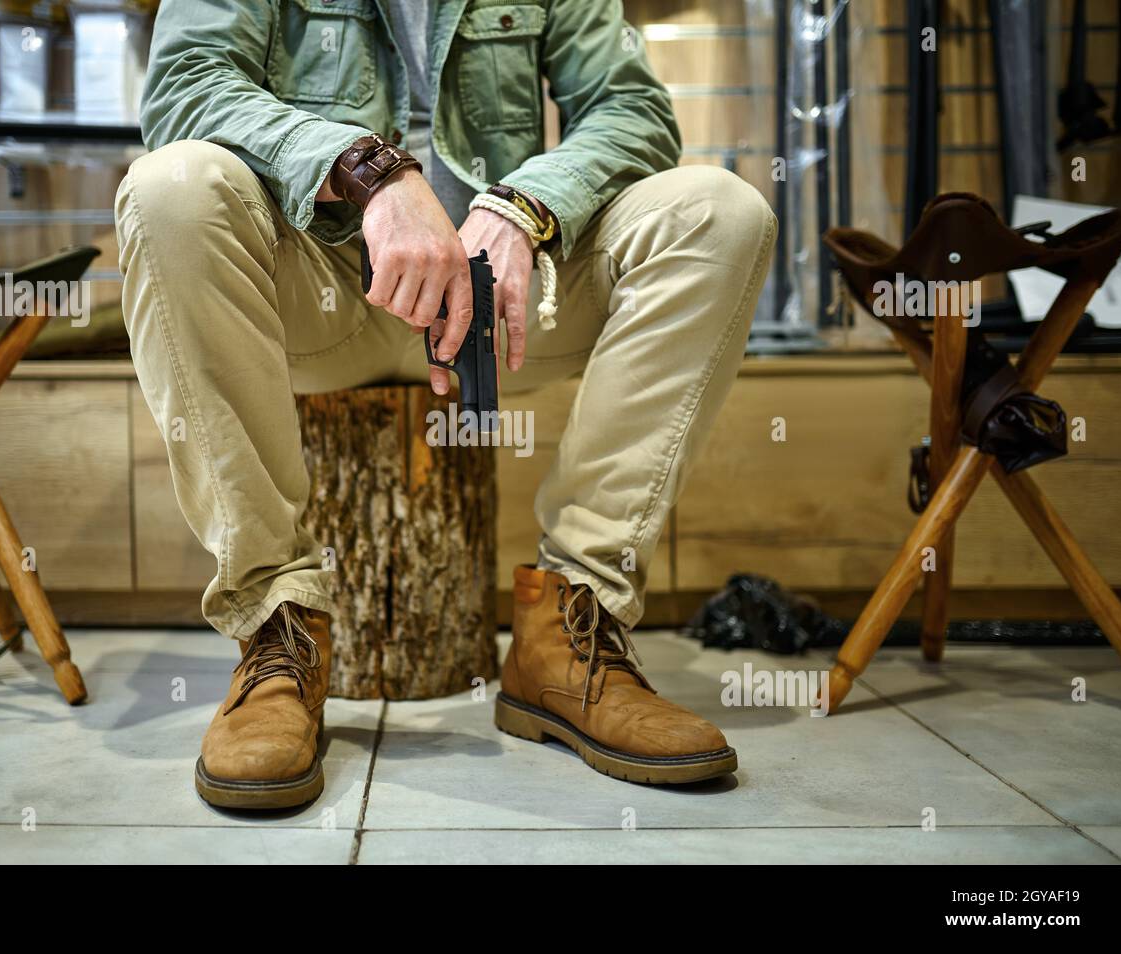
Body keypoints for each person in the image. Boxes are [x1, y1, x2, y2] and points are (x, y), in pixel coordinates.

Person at [115, 0, 777, 809]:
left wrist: (526, 205)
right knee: (168, 187)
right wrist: (369, 171)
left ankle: (571, 627)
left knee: (720, 211)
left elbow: (630, 106)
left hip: (504, 312)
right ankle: (274, 625)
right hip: (322, 292)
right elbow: (186, 84)